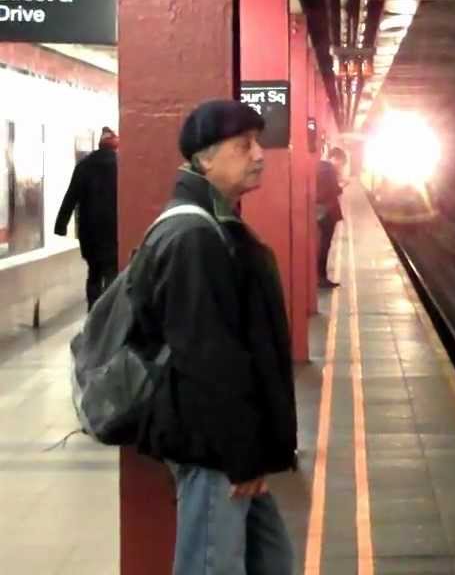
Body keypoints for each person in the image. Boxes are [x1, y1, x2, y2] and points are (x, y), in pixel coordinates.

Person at [133, 101, 296, 574]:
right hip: (214, 449)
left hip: (230, 446)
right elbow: (208, 358)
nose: (259, 154)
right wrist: (241, 456)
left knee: (272, 560)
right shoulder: (194, 237)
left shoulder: (216, 225)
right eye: (244, 146)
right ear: (205, 159)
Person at [54, 126, 119, 308]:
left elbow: (71, 196)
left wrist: (61, 225)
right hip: (114, 230)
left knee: (94, 274)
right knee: (112, 273)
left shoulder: (84, 166)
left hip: (89, 232)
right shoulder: (122, 166)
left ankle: (93, 312)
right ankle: (108, 317)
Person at [316, 147, 347, 288]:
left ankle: (321, 276)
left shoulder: (321, 167)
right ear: (335, 158)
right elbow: (331, 191)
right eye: (341, 162)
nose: (340, 165)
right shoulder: (328, 169)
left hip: (322, 213)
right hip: (327, 214)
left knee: (323, 245)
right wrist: (341, 186)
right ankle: (321, 277)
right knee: (324, 245)